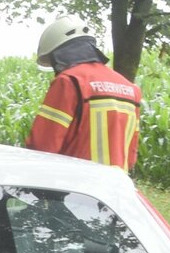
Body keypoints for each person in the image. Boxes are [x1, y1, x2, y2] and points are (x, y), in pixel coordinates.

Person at [26, 14, 142, 171]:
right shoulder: (131, 90)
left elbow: (42, 146)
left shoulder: (69, 82)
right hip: (116, 183)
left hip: (75, 182)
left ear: (58, 55)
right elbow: (131, 155)